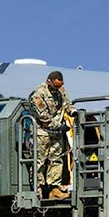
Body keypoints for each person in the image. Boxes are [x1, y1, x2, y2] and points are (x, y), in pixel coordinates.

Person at [30, 70, 73, 199]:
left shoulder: (61, 91)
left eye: (60, 86)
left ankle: (55, 188)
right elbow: (44, 117)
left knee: (56, 160)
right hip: (42, 133)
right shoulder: (38, 95)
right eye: (56, 86)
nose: (58, 89)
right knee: (40, 162)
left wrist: (73, 112)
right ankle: (39, 189)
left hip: (56, 134)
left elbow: (67, 104)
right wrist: (59, 126)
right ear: (49, 82)